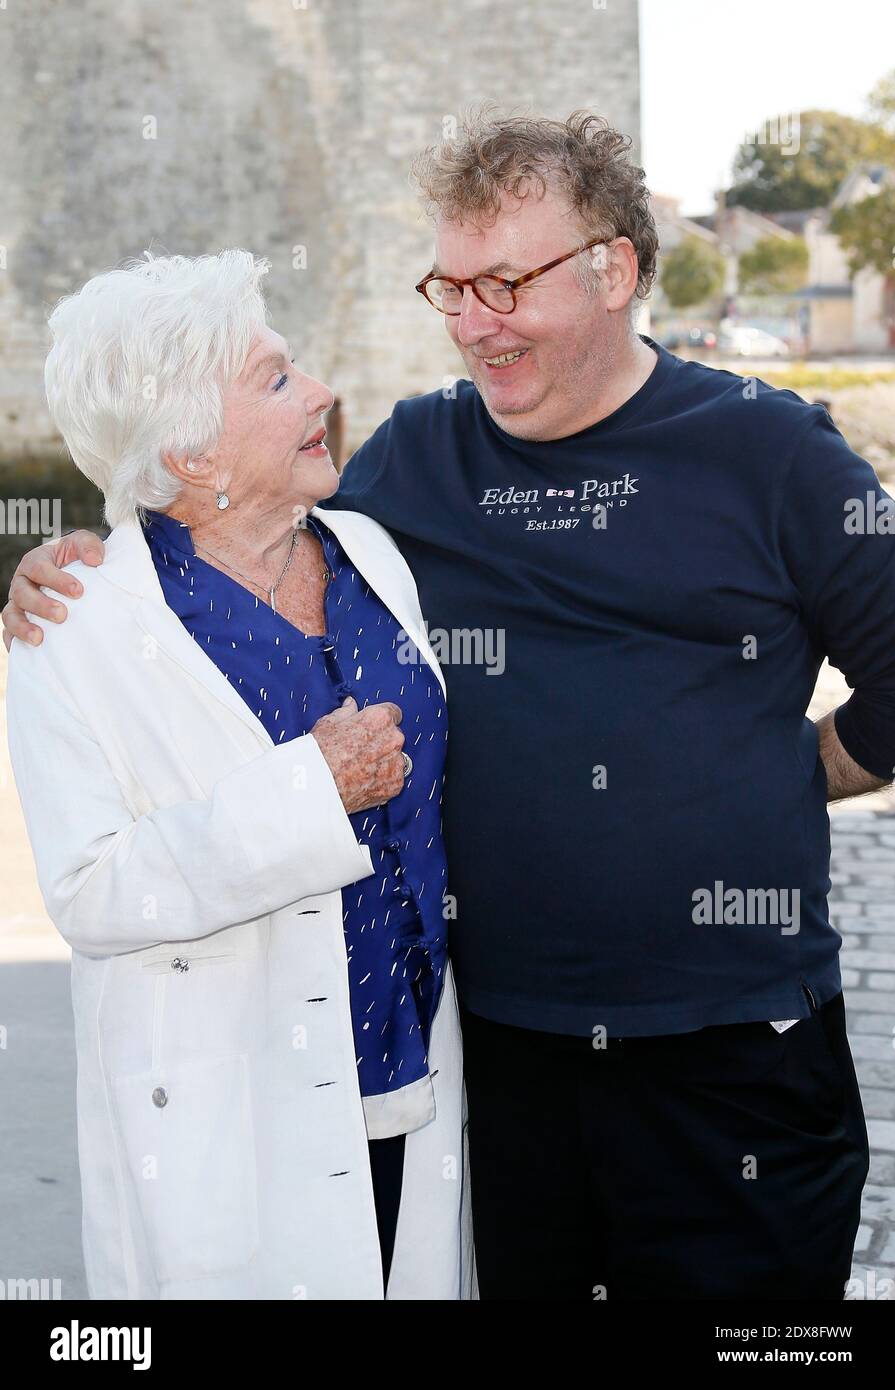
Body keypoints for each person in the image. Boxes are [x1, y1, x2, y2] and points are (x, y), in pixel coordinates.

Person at [8, 110, 895, 1300]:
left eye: (505, 284)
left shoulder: (770, 451)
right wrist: (70, 562)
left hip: (735, 1056)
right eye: (450, 286)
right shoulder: (415, 461)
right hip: (498, 1066)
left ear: (613, 270)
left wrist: (797, 767)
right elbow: (232, 540)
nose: (473, 323)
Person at [3, 250, 474, 1301]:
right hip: (235, 1115)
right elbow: (90, 889)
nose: (322, 395)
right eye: (275, 380)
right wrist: (311, 791)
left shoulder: (370, 554)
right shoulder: (71, 630)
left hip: (409, 1078)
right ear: (186, 447)